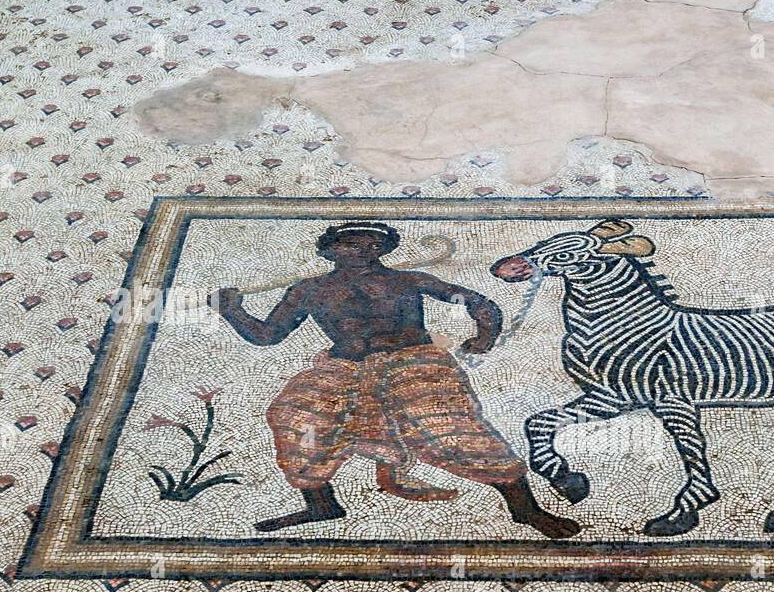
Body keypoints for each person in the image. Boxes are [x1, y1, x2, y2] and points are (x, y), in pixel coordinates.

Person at [208, 221, 580, 538]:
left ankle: (524, 507)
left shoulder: (408, 279)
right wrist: (232, 311)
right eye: (349, 243)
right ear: (330, 250)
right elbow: (267, 335)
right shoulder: (308, 290)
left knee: (453, 428)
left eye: (372, 243)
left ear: (382, 249)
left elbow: (478, 302)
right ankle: (321, 504)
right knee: (298, 416)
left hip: (413, 361)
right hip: (344, 366)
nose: (361, 248)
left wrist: (483, 338)